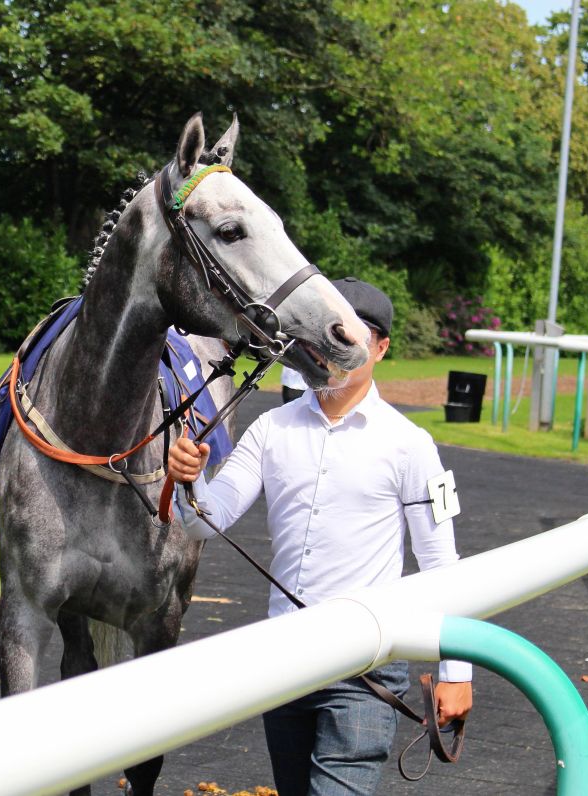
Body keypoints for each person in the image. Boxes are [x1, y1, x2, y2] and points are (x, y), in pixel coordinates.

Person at [168, 276, 472, 796]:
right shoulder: (270, 429)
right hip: (282, 662)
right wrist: (188, 480)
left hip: (365, 670)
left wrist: (457, 669)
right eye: (325, 335)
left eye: (354, 335)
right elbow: (205, 521)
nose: (335, 349)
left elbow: (440, 559)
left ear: (380, 348)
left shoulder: (411, 445)